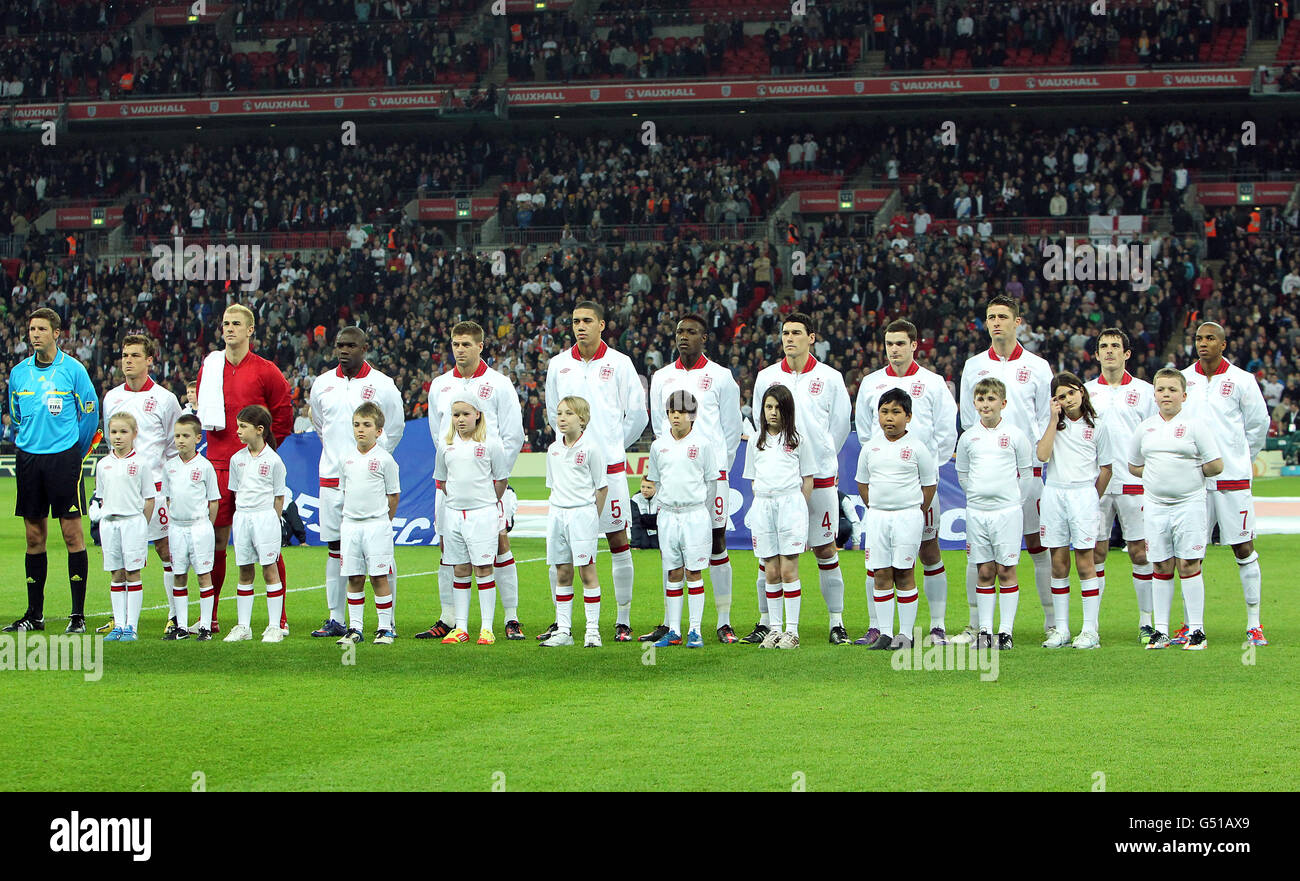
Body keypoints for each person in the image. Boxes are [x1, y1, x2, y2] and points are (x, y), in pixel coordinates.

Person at [543, 301, 648, 642]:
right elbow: (551, 411)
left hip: (610, 472)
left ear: (602, 324)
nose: (581, 326)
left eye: (588, 320)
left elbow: (637, 414)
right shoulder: (558, 365)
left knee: (618, 541)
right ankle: (562, 624)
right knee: (562, 550)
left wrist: (611, 448)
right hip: (571, 471)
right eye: (575, 321)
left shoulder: (619, 363)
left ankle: (623, 618)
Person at [748, 312, 852, 645]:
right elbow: (758, 418)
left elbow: (838, 426)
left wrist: (820, 457)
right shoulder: (766, 376)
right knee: (770, 559)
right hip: (777, 484)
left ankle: (836, 622)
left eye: (796, 333)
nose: (789, 338)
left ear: (812, 337)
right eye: (785, 333)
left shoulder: (830, 377)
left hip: (818, 478)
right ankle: (768, 623)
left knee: (825, 550)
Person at [854, 318, 957, 646]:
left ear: (915, 345)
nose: (894, 349)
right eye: (889, 344)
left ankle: (937, 625)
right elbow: (863, 427)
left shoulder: (933, 382)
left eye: (901, 343)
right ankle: (877, 627)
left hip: (922, 486)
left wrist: (927, 474)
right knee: (878, 559)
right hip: (886, 486)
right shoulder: (871, 383)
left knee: (928, 551)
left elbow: (946, 430)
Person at [421, 321, 525, 641]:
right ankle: (449, 617)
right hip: (451, 485)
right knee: (448, 550)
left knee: (499, 545)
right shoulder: (439, 385)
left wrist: (494, 479)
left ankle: (510, 618)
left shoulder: (499, 384)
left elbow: (513, 434)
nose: (460, 349)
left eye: (467, 344)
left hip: (489, 484)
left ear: (481, 346)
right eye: (456, 343)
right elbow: (437, 432)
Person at [958, 295, 1054, 643]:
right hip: (988, 477)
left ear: (1018, 322)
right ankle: (976, 625)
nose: (996, 322)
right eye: (990, 317)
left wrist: (1036, 464)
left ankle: (1052, 622)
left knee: (1038, 545)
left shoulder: (1038, 366)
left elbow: (1045, 418)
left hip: (1028, 474)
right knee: (979, 556)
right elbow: (969, 421)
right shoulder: (973, 365)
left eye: (1003, 316)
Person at [195, 304, 293, 634]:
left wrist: (263, 454)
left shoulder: (266, 371)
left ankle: (278, 620)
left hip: (256, 469)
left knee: (268, 542)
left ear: (251, 330)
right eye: (225, 323)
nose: (229, 329)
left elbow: (283, 415)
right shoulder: (210, 368)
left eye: (236, 323)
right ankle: (211, 616)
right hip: (218, 463)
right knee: (216, 542)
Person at [644, 314, 742, 643]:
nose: (684, 337)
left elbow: (731, 428)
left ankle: (723, 621)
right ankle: (672, 623)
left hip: (710, 477)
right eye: (679, 332)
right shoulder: (662, 377)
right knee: (672, 549)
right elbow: (660, 425)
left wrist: (716, 468)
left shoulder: (721, 377)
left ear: (705, 338)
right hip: (675, 475)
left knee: (717, 546)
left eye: (691, 332)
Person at [5, 308, 100, 634]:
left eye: (41, 329)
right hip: (29, 459)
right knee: (34, 536)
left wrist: (75, 452)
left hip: (64, 460)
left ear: (56, 333)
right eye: (31, 329)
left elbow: (89, 413)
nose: (35, 334)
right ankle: (34, 614)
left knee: (72, 534)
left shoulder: (73, 370)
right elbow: (15, 415)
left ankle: (77, 616)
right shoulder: (19, 373)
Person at [307, 327, 405, 640]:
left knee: (379, 555)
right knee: (336, 549)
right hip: (332, 478)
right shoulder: (322, 384)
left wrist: (370, 465)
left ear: (365, 347)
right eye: (340, 345)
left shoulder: (382, 385)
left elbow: (395, 427)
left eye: (351, 345)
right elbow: (320, 425)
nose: (344, 350)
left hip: (369, 481)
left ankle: (386, 621)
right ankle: (337, 618)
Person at [1180, 322, 1271, 647]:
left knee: (1243, 548)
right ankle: (1191, 624)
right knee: (1191, 553)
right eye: (1198, 338)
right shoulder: (1183, 379)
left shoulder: (1242, 381)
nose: (1203, 344)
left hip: (1232, 480)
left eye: (1210, 339)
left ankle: (1253, 623)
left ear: (1224, 343)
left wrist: (1239, 456)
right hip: (1193, 482)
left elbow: (1259, 424)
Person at [1129, 369, 1223, 651]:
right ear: (1154, 394)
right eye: (1161, 390)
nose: (1166, 394)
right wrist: (1156, 475)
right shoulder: (1145, 427)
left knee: (1189, 564)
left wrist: (1190, 473)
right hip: (1156, 506)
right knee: (1159, 564)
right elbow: (1133, 464)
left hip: (1190, 504)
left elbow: (1216, 464)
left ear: (1183, 395)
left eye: (1172, 389)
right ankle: (1160, 631)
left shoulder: (1196, 426)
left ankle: (1197, 630)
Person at [98, 334, 182, 636]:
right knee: (119, 558)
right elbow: (112, 443)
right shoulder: (112, 398)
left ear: (150, 359)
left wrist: (171, 491)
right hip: (122, 493)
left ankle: (175, 615)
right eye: (124, 355)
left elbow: (174, 446)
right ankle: (119, 620)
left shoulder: (164, 399)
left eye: (135, 355)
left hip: (155, 491)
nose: (128, 361)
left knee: (165, 550)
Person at [1085, 328, 1157, 643]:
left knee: (1140, 552)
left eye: (1116, 346)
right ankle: (1092, 625)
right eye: (1104, 346)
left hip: (1135, 483)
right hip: (1097, 484)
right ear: (1096, 354)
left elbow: (1156, 433)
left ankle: (1146, 622)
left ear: (1127, 354)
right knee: (1096, 551)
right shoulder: (1085, 391)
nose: (1110, 351)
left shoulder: (1145, 391)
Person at [955, 378, 1036, 650]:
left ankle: (1005, 632)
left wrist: (1013, 501)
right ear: (974, 403)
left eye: (991, 399)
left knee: (1006, 570)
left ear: (1003, 403)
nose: (985, 404)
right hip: (978, 512)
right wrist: (979, 497)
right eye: (980, 399)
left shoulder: (1015, 435)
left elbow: (1026, 474)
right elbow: (963, 475)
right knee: (985, 571)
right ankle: (985, 632)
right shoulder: (968, 437)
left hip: (1007, 513)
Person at [854, 389, 938, 650]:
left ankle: (906, 635)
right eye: (884, 412)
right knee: (881, 573)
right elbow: (862, 483)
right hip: (878, 516)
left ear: (908, 416)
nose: (889, 418)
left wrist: (913, 509)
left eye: (895, 412)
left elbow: (929, 485)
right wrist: (878, 506)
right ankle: (886, 634)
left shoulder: (917, 448)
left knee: (904, 572)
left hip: (907, 516)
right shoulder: (870, 448)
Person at [1036, 373, 1114, 649]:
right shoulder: (1051, 426)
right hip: (1055, 493)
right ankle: (1062, 629)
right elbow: (1042, 456)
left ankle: (1090, 630)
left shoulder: (1099, 426)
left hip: (1083, 494)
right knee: (1058, 563)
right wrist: (1052, 420)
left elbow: (1106, 468)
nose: (1067, 400)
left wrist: (1093, 496)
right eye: (1060, 396)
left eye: (1070, 393)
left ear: (1081, 391)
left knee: (1085, 561)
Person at [641, 389, 719, 650]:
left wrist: (701, 512)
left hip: (695, 514)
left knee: (693, 571)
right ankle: (673, 630)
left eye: (682, 412)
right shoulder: (658, 445)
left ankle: (695, 630)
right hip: (668, 515)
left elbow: (711, 484)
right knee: (673, 572)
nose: (676, 416)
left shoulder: (704, 444)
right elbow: (657, 480)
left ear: (693, 415)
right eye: (672, 411)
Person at [433, 390, 510, 646]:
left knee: (484, 568)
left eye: (466, 414)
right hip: (454, 514)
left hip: (482, 514)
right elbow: (442, 481)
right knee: (460, 569)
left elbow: (501, 479)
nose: (460, 419)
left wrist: (485, 501)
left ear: (478, 415)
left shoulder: (491, 444)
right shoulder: (446, 445)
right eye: (456, 415)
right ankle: (461, 627)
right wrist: (457, 500)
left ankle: (487, 628)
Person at [743, 384, 816, 650]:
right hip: (764, 505)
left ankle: (792, 631)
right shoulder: (755, 441)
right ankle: (774, 630)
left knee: (788, 570)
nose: (773, 413)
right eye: (768, 407)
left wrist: (798, 508)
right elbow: (752, 480)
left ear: (788, 410)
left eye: (778, 407)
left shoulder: (798, 439)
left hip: (790, 505)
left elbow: (808, 480)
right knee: (770, 571)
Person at [540, 396, 608, 648]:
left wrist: (592, 518)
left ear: (582, 419)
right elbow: (553, 485)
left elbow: (601, 488)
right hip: (558, 513)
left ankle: (592, 630)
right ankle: (564, 630)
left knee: (587, 571)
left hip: (582, 513)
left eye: (568, 413)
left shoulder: (591, 448)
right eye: (559, 414)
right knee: (562, 571)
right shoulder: (553, 450)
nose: (562, 418)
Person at [223, 405, 291, 644]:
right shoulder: (236, 459)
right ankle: (244, 626)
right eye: (238, 426)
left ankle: (274, 626)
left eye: (243, 426)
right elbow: (234, 493)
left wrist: (273, 521)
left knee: (269, 570)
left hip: (265, 517)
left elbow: (279, 496)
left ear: (259, 430)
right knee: (244, 570)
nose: (238, 431)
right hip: (242, 517)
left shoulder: (273, 460)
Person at [336, 402, 401, 646]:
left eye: (366, 425)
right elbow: (345, 490)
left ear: (379, 431)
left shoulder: (385, 460)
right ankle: (355, 628)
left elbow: (393, 496)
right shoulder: (346, 458)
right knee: (354, 577)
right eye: (356, 425)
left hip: (376, 525)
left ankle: (385, 628)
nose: (360, 430)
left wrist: (383, 521)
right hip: (351, 525)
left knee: (378, 577)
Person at [96, 412, 158, 642]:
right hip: (110, 523)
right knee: (116, 573)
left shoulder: (141, 464)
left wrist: (142, 524)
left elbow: (149, 498)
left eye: (123, 432)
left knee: (132, 573)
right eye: (114, 432)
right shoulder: (103, 465)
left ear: (134, 434)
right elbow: (101, 496)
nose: (118, 437)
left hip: (133, 522)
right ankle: (118, 625)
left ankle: (131, 625)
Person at [162, 414, 222, 641]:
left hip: (199, 528)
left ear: (198, 438)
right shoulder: (170, 467)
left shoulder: (205, 466)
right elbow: (168, 498)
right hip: (177, 528)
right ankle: (182, 626)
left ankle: (205, 626)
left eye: (186, 436)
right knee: (179, 576)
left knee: (203, 576)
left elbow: (213, 501)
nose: (180, 440)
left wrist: (207, 526)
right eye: (177, 436)